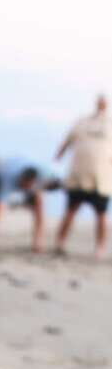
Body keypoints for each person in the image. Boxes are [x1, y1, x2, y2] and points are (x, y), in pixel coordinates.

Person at [55, 95, 112, 258]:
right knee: (71, 210)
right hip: (78, 175)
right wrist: (59, 155)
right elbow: (67, 140)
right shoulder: (82, 121)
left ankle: (100, 248)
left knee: (101, 214)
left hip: (101, 178)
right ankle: (60, 242)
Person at [0, 158, 61, 252]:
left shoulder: (45, 176)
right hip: (4, 171)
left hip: (36, 178)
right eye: (25, 185)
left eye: (29, 186)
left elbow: (56, 184)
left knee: (40, 205)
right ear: (21, 179)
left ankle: (38, 242)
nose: (26, 189)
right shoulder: (7, 176)